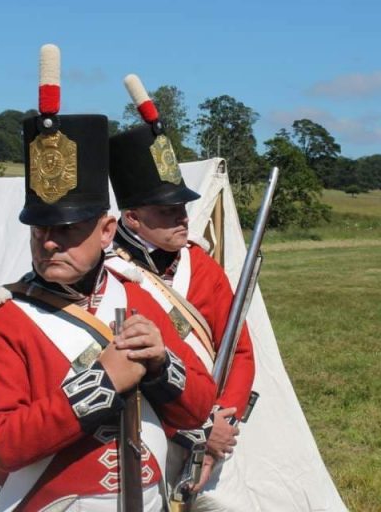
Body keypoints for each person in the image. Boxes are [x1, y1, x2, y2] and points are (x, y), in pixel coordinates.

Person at [0, 52, 216, 512]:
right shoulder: (5, 322)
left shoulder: (138, 295)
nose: (49, 244)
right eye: (40, 230)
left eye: (67, 230)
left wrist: (161, 364)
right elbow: (4, 443)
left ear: (105, 231)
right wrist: (102, 382)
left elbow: (199, 405)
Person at [106, 75, 255, 503]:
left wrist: (223, 420)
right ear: (132, 218)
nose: (182, 218)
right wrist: (197, 428)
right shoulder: (107, 273)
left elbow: (239, 351)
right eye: (167, 211)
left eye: (183, 208)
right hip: (144, 432)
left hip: (216, 434)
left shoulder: (201, 265)